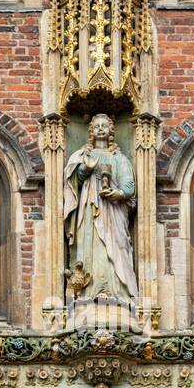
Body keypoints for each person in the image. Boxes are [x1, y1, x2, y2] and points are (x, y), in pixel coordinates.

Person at [63, 114, 138, 306]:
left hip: (113, 210)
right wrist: (85, 169)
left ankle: (118, 292)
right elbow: (73, 183)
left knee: (116, 245)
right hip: (89, 208)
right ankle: (88, 292)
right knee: (90, 245)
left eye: (105, 126)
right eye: (97, 126)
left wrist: (118, 193)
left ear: (111, 131)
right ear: (91, 132)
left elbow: (129, 184)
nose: (101, 129)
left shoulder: (119, 158)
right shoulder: (83, 155)